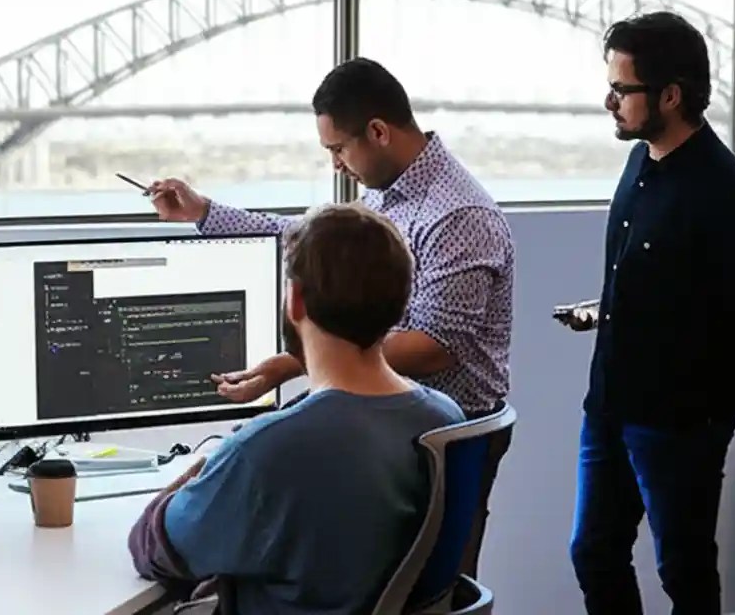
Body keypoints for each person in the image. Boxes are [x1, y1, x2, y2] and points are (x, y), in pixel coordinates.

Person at [145, 57, 515, 576]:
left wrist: (303, 360)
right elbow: (317, 243)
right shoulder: (393, 193)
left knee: (411, 585)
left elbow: (432, 347)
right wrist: (205, 213)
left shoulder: (455, 214)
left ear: (378, 132)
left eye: (338, 149)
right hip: (392, 416)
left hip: (440, 434)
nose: (336, 165)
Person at [127, 203, 464, 613]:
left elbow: (154, 549)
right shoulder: (444, 418)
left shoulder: (269, 450)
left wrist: (212, 465)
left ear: (296, 300)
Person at [556, 10, 735, 615]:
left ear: (671, 95)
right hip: (609, 403)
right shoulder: (641, 163)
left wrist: (684, 381)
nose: (609, 101)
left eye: (622, 89)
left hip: (677, 421)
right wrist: (607, 313)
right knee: (593, 552)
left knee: (682, 569)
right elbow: (659, 285)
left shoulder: (725, 194)